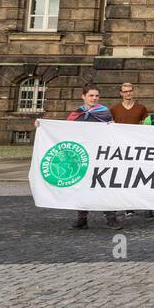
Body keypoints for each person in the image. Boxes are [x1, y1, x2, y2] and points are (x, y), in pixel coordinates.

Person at [47, 86, 120, 231]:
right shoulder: (76, 114)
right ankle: (82, 219)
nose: (94, 98)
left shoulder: (104, 113)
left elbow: (112, 133)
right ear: (83, 96)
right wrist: (42, 126)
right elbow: (64, 130)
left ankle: (111, 218)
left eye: (97, 95)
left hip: (101, 155)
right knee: (82, 186)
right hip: (82, 156)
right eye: (91, 95)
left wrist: (114, 127)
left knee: (104, 186)